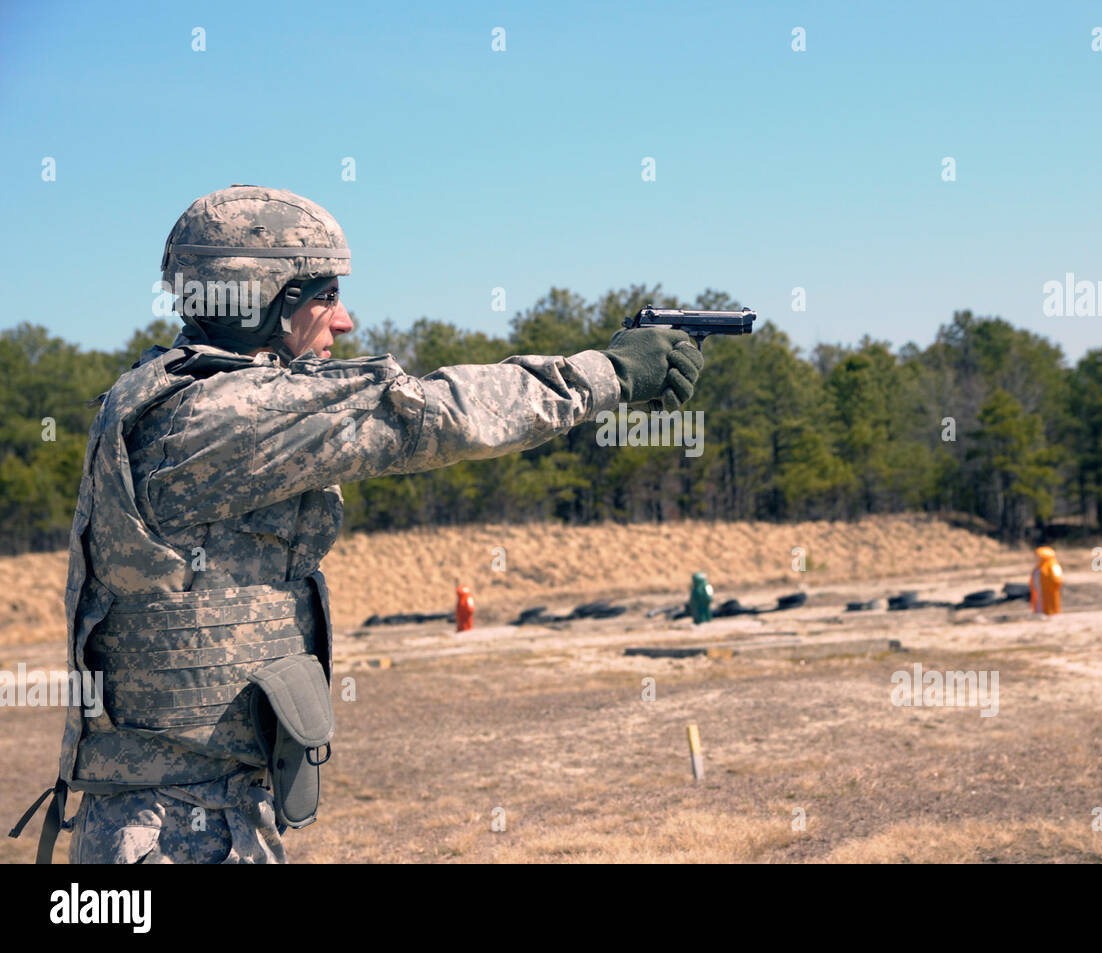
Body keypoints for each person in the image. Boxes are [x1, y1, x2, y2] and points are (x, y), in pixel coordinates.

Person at [8, 185, 703, 863]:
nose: (342, 322)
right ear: (267, 306)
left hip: (182, 814)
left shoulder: (167, 396)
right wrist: (607, 373)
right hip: (181, 831)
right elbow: (432, 414)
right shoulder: (222, 416)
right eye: (325, 296)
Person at [1029, 546, 1063, 616]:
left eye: (1039, 556)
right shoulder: (1038, 567)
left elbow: (1057, 579)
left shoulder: (1053, 565)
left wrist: (1051, 587)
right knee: (1039, 602)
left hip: (1049, 591)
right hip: (1039, 590)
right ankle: (1039, 613)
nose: (1037, 558)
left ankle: (1051, 613)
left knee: (1050, 602)